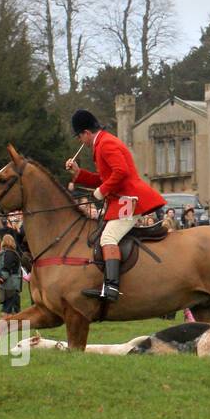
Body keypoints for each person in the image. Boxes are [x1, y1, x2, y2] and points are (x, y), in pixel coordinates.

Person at [65, 109, 167, 302]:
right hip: (122, 199)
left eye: (79, 136)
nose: (80, 141)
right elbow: (104, 177)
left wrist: (101, 192)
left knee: (108, 238)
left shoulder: (106, 143)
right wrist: (79, 173)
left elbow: (120, 172)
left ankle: (111, 287)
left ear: (86, 132)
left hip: (129, 200)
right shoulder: (102, 142)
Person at [0, 234, 24, 315]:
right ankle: (12, 325)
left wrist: (2, 278)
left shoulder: (8, 254)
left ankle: (4, 325)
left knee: (7, 309)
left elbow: (6, 268)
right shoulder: (13, 253)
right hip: (13, 284)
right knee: (13, 309)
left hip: (9, 285)